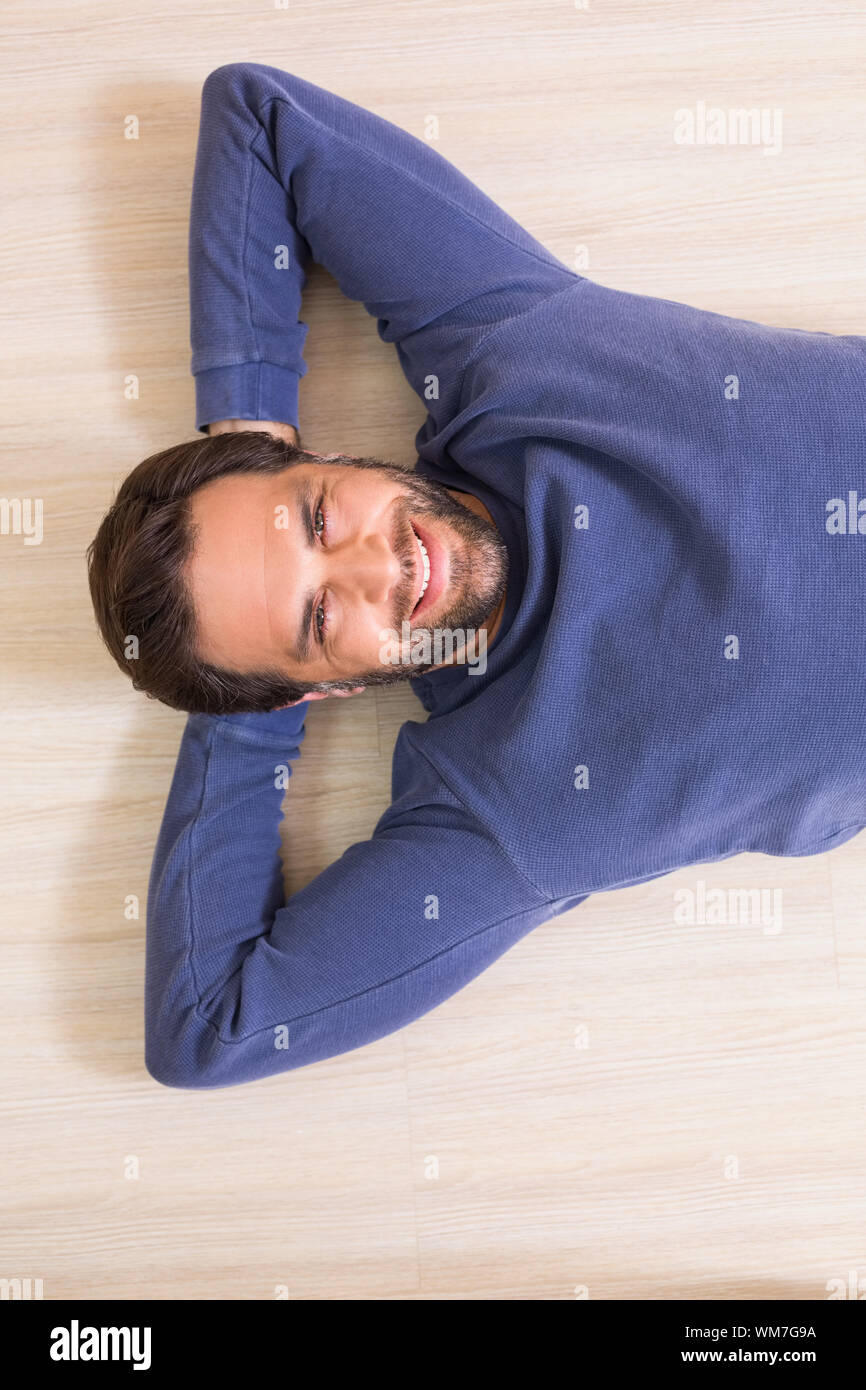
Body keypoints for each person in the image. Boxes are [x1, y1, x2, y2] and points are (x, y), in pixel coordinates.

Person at [87, 62, 866, 1089]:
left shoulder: (510, 360)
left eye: (320, 515)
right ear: (322, 688)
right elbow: (204, 1029)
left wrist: (247, 420)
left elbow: (258, 115)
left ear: (315, 459)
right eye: (321, 615)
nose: (379, 562)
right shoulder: (499, 815)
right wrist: (253, 693)